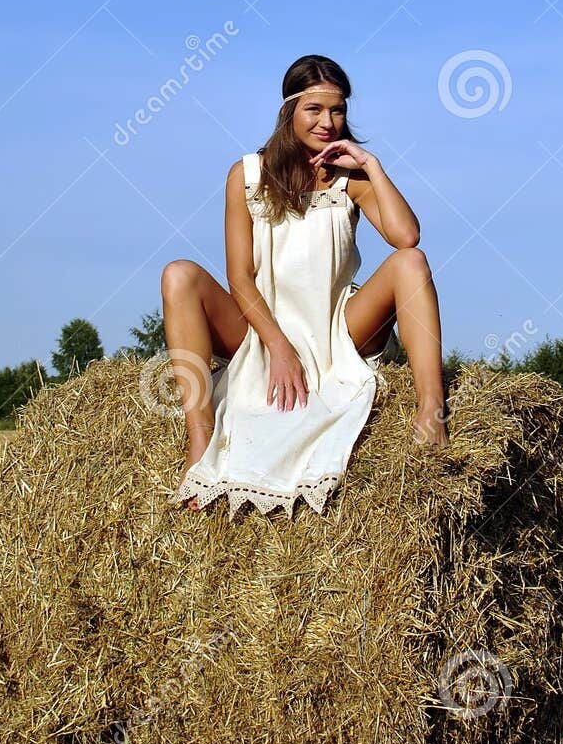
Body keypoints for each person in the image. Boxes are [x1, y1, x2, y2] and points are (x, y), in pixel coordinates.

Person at [162, 54, 450, 517]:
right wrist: (278, 346)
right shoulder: (246, 176)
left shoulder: (349, 178)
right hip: (260, 330)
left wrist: (370, 164)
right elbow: (239, 276)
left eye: (337, 110)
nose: (328, 121)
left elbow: (407, 236)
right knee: (179, 274)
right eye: (314, 110)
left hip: (337, 328)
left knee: (411, 263)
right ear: (288, 112)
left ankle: (431, 413)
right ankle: (200, 441)